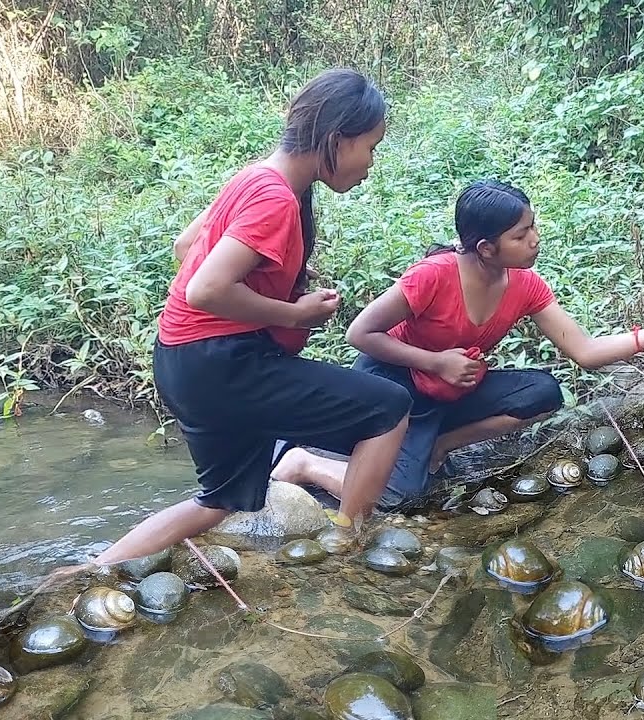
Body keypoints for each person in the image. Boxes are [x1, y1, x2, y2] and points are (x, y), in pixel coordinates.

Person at [90, 68, 411, 569]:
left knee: (220, 499)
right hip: (222, 363)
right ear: (336, 139)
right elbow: (205, 288)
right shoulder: (275, 196)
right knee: (388, 408)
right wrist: (295, 312)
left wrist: (269, 280)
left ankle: (88, 570)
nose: (371, 162)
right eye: (371, 147)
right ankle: (346, 541)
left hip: (182, 360)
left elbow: (186, 247)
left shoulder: (256, 176)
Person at [272, 179, 644, 510]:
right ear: (485, 248)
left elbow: (585, 352)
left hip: (452, 391)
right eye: (520, 234)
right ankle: (304, 464)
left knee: (542, 392)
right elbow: (361, 334)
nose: (534, 239)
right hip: (395, 390)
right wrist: (436, 362)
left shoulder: (526, 285)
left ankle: (441, 444)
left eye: (533, 226)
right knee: (400, 495)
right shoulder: (433, 276)